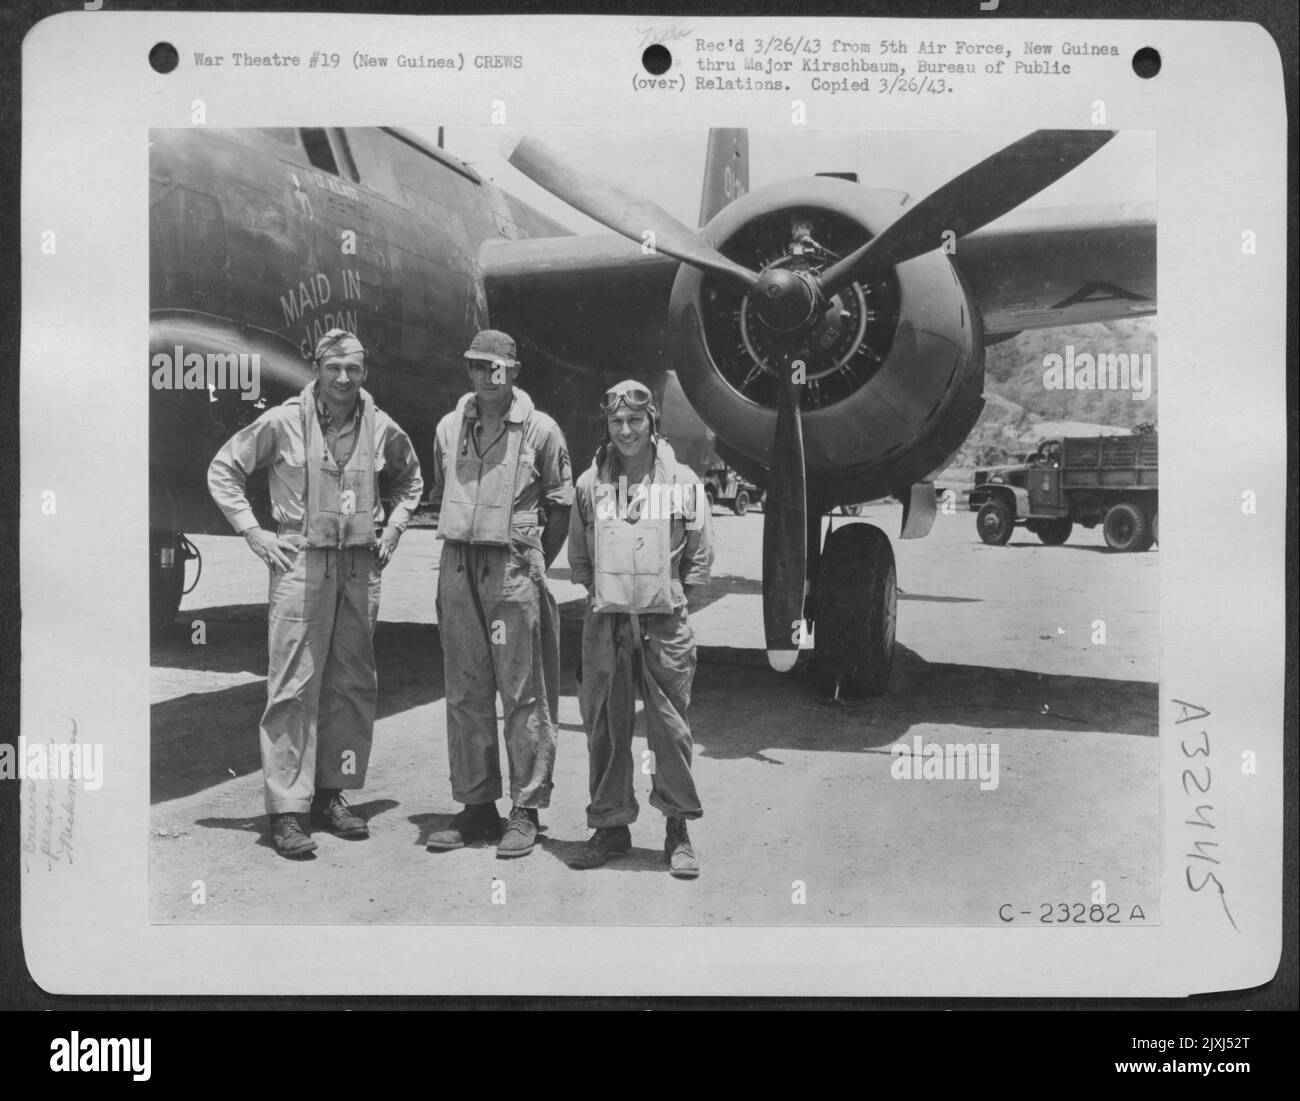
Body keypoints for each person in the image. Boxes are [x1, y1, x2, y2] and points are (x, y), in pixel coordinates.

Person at [208, 329, 423, 858]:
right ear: (317, 370)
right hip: (301, 561)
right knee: (291, 689)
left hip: (359, 567)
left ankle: (333, 795)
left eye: (353, 369)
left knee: (351, 685)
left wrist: (394, 527)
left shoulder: (382, 427)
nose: (344, 379)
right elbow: (224, 469)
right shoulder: (283, 422)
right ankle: (287, 811)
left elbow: (411, 480)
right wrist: (254, 532)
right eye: (334, 369)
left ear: (364, 372)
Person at [425, 329, 572, 859]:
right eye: (475, 366)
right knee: (464, 691)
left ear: (513, 371)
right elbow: (441, 493)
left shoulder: (541, 430)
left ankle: (526, 809)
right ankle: (476, 807)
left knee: (522, 692)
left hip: (512, 570)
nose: (485, 376)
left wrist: (532, 563)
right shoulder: (448, 428)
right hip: (458, 568)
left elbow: (561, 504)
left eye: (495, 367)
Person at [565, 380, 714, 878]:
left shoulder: (683, 483)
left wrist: (669, 601)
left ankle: (677, 828)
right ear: (607, 426)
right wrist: (602, 595)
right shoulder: (590, 485)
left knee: (669, 729)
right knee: (605, 725)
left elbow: (700, 556)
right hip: (605, 623)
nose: (625, 430)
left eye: (635, 420)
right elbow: (579, 556)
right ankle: (610, 825)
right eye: (616, 422)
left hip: (662, 622)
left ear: (653, 422)